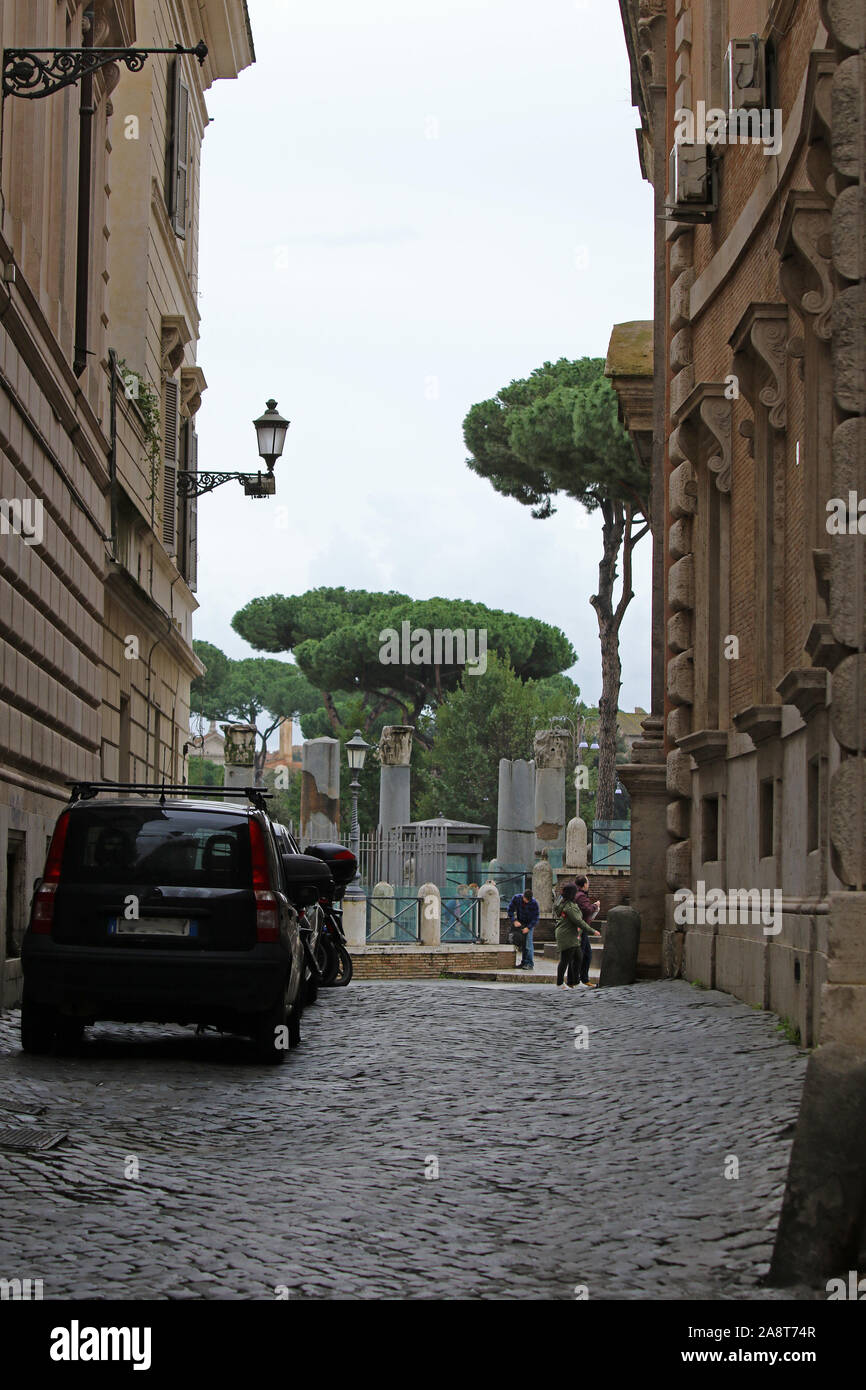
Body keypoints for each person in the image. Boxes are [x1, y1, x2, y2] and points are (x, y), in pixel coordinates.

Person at [553, 883, 585, 988]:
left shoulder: (565, 902)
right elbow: (578, 920)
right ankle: (560, 982)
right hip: (567, 935)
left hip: (572, 934)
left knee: (578, 957)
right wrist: (592, 931)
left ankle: (575, 981)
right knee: (565, 959)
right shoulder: (568, 905)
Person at [574, 875, 603, 986]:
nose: (589, 885)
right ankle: (577, 979)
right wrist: (595, 906)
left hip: (581, 928)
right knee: (581, 955)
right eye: (588, 883)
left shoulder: (578, 895)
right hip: (581, 929)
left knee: (586, 954)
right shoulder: (581, 896)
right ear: (584, 884)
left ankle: (583, 978)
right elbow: (587, 910)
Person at [506, 887, 539, 970]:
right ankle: (524, 962)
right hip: (520, 922)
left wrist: (528, 928)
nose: (527, 901)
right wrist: (514, 920)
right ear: (523, 896)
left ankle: (530, 963)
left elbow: (535, 918)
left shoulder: (534, 903)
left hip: (529, 923)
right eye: (525, 899)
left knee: (528, 943)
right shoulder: (517, 898)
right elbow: (510, 910)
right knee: (523, 943)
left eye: (528, 900)